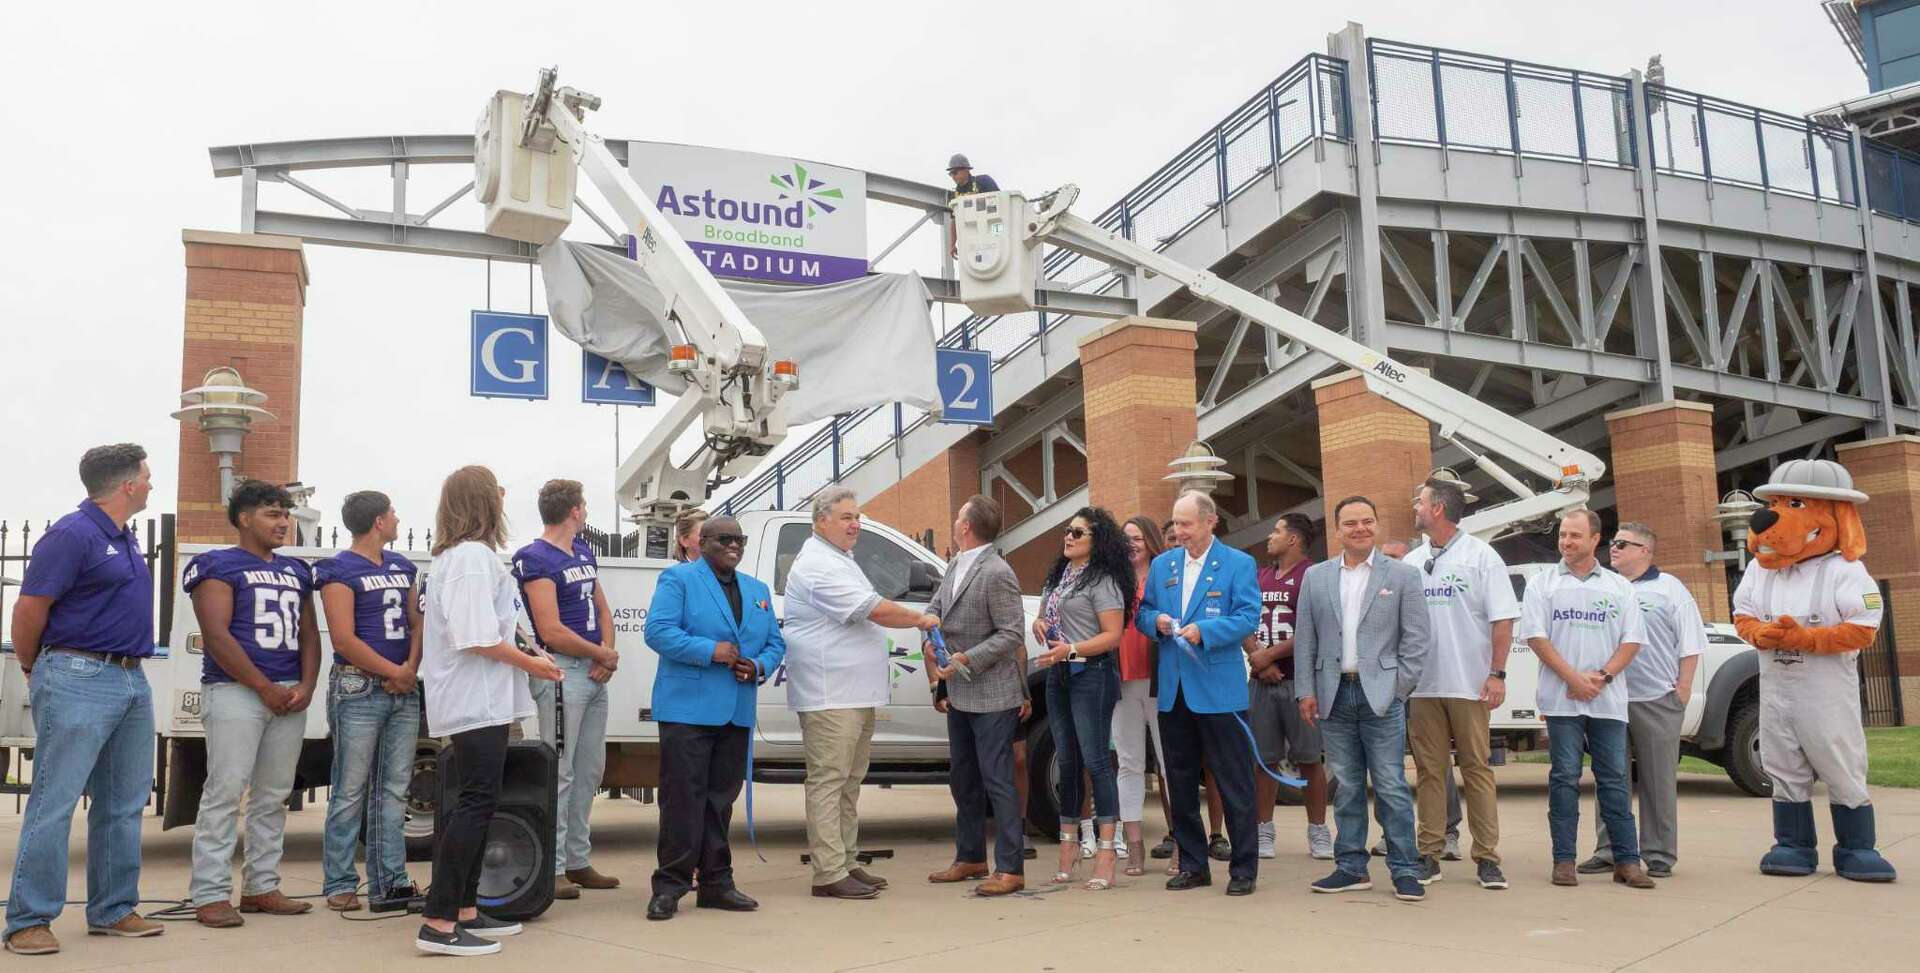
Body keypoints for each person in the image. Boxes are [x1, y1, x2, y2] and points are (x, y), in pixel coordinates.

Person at [4, 444, 163, 956]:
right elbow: (29, 611)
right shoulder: (73, 534)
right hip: (77, 672)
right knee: (55, 801)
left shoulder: (122, 536)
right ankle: (28, 920)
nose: (151, 482)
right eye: (147, 475)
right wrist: (35, 668)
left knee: (122, 804)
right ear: (128, 486)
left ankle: (114, 910)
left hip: (131, 678)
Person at [415, 466, 565, 956]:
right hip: (474, 700)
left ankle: (464, 909)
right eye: (496, 489)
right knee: (475, 806)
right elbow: (477, 636)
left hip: (481, 699)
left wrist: (528, 656)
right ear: (482, 501)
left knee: (480, 803)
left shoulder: (465, 558)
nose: (504, 496)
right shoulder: (473, 558)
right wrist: (533, 664)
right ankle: (439, 922)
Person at [784, 487, 939, 899]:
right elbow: (875, 609)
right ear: (821, 521)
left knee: (849, 782)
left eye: (858, 516)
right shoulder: (818, 565)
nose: (856, 524)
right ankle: (828, 873)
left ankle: (847, 861)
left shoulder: (840, 559)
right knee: (829, 782)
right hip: (830, 695)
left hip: (852, 693)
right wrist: (922, 619)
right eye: (846, 517)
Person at [183, 479, 321, 927]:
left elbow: (308, 634)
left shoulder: (296, 571)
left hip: (286, 690)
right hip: (235, 690)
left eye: (286, 514)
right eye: (273, 514)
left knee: (274, 795)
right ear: (244, 518)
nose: (284, 523)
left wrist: (307, 684)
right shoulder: (216, 564)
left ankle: (262, 886)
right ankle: (209, 893)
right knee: (224, 791)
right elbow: (217, 636)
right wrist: (264, 687)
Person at [643, 515, 786, 919]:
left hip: (735, 710)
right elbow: (657, 631)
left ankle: (716, 883)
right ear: (702, 542)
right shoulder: (679, 580)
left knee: (720, 801)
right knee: (681, 801)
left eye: (739, 539)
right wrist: (711, 651)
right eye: (725, 539)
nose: (734, 545)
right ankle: (669, 886)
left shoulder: (757, 590)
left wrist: (758, 666)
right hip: (688, 709)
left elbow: (776, 643)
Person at [1295, 495, 1430, 902]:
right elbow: (1305, 640)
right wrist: (1306, 691)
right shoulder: (1316, 577)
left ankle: (1406, 869)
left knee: (1390, 785)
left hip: (1381, 696)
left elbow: (1417, 640)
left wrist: (1398, 690)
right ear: (1337, 530)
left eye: (1367, 521)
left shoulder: (1403, 575)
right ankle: (1351, 867)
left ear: (1376, 525)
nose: (1359, 529)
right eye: (1350, 523)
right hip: (1333, 695)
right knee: (1349, 786)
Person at [1520, 508, 1654, 889]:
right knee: (1564, 778)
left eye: (1575, 536)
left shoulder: (1618, 587)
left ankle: (1627, 862)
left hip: (1608, 701)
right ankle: (1564, 860)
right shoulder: (1543, 585)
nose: (1566, 542)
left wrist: (1604, 676)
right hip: (1561, 701)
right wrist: (1573, 679)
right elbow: (1536, 638)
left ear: (1595, 539)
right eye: (1563, 535)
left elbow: (1632, 640)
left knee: (1614, 779)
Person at [1136, 490, 1261, 895]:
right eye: (1174, 524)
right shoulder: (1163, 564)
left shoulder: (1238, 564)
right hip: (1174, 691)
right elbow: (1143, 611)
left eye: (1186, 524)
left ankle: (1243, 868)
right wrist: (1157, 622)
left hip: (1219, 691)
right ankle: (1192, 864)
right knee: (1180, 781)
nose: (1179, 532)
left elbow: (1246, 616)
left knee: (1234, 780)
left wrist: (1204, 631)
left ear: (1210, 522)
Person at [1405, 478, 1518, 891]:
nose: (1414, 507)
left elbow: (1502, 620)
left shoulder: (1481, 557)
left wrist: (1497, 673)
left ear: (1437, 509)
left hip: (1469, 683)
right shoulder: (1414, 562)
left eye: (1420, 501)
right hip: (1423, 686)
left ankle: (1487, 858)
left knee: (1476, 769)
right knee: (1430, 772)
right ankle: (1429, 854)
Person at [314, 491, 422, 912]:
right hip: (358, 687)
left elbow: (417, 623)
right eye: (393, 512)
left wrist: (409, 668)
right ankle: (339, 881)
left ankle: (389, 882)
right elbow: (343, 638)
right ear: (379, 521)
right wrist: (392, 671)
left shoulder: (402, 567)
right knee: (350, 789)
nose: (397, 518)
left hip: (403, 687)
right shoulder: (339, 570)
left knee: (394, 790)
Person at [1576, 522, 1703, 879]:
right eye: (1613, 543)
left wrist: (1682, 689)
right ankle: (1609, 850)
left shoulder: (1670, 589)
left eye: (1622, 544)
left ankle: (1659, 854)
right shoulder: (1605, 586)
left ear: (1645, 551)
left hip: (1656, 698)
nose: (1613, 548)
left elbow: (1690, 642)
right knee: (1609, 777)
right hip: (1610, 700)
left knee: (1658, 780)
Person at [513, 479, 620, 899]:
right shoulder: (534, 558)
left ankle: (577, 859)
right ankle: (552, 866)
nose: (586, 511)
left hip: (593, 670)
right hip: (563, 674)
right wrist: (600, 653)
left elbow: (602, 607)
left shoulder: (582, 552)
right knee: (559, 771)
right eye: (585, 505)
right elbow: (552, 630)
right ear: (574, 510)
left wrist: (605, 653)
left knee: (589, 769)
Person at [922, 496, 1028, 895]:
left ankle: (1010, 868)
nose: (953, 521)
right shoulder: (955, 563)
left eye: (957, 516)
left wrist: (968, 657)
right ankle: (970, 857)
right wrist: (928, 635)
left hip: (992, 694)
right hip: (960, 692)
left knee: (997, 780)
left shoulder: (997, 571)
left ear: (967, 526)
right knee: (963, 779)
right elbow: (935, 611)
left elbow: (1012, 632)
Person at [1032, 507, 1135, 890]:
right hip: (1059, 672)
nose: (1069, 537)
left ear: (1096, 540)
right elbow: (1047, 615)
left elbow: (1112, 636)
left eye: (1077, 532)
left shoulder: (1103, 579)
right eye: (1067, 531)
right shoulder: (1061, 574)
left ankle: (1107, 852)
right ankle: (1068, 847)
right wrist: (1040, 622)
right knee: (1068, 760)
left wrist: (1072, 648)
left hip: (1091, 673)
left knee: (1096, 761)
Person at [1243, 513, 1332, 861]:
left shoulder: (1313, 575)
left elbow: (1315, 627)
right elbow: (1244, 619)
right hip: (1261, 681)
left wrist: (1270, 656)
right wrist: (1257, 657)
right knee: (1264, 760)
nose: (1270, 535)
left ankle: (1319, 830)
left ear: (1293, 539)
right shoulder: (1260, 575)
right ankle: (1263, 829)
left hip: (1299, 680)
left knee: (1309, 758)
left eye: (1277, 531)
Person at [1113, 515, 1177, 877]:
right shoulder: (1113, 580)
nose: (1131, 545)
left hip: (1159, 679)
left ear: (1151, 541)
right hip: (1122, 679)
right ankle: (1134, 843)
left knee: (1169, 764)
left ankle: (1182, 841)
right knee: (1129, 762)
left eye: (1137, 538)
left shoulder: (1165, 576)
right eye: (1126, 539)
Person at [945, 153, 1001, 257]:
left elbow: (1000, 206)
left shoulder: (984, 181)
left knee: (998, 255)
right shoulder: (955, 196)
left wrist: (999, 236)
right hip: (974, 236)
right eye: (951, 174)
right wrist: (952, 244)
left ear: (966, 170)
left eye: (955, 172)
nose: (953, 176)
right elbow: (954, 220)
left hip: (993, 229)